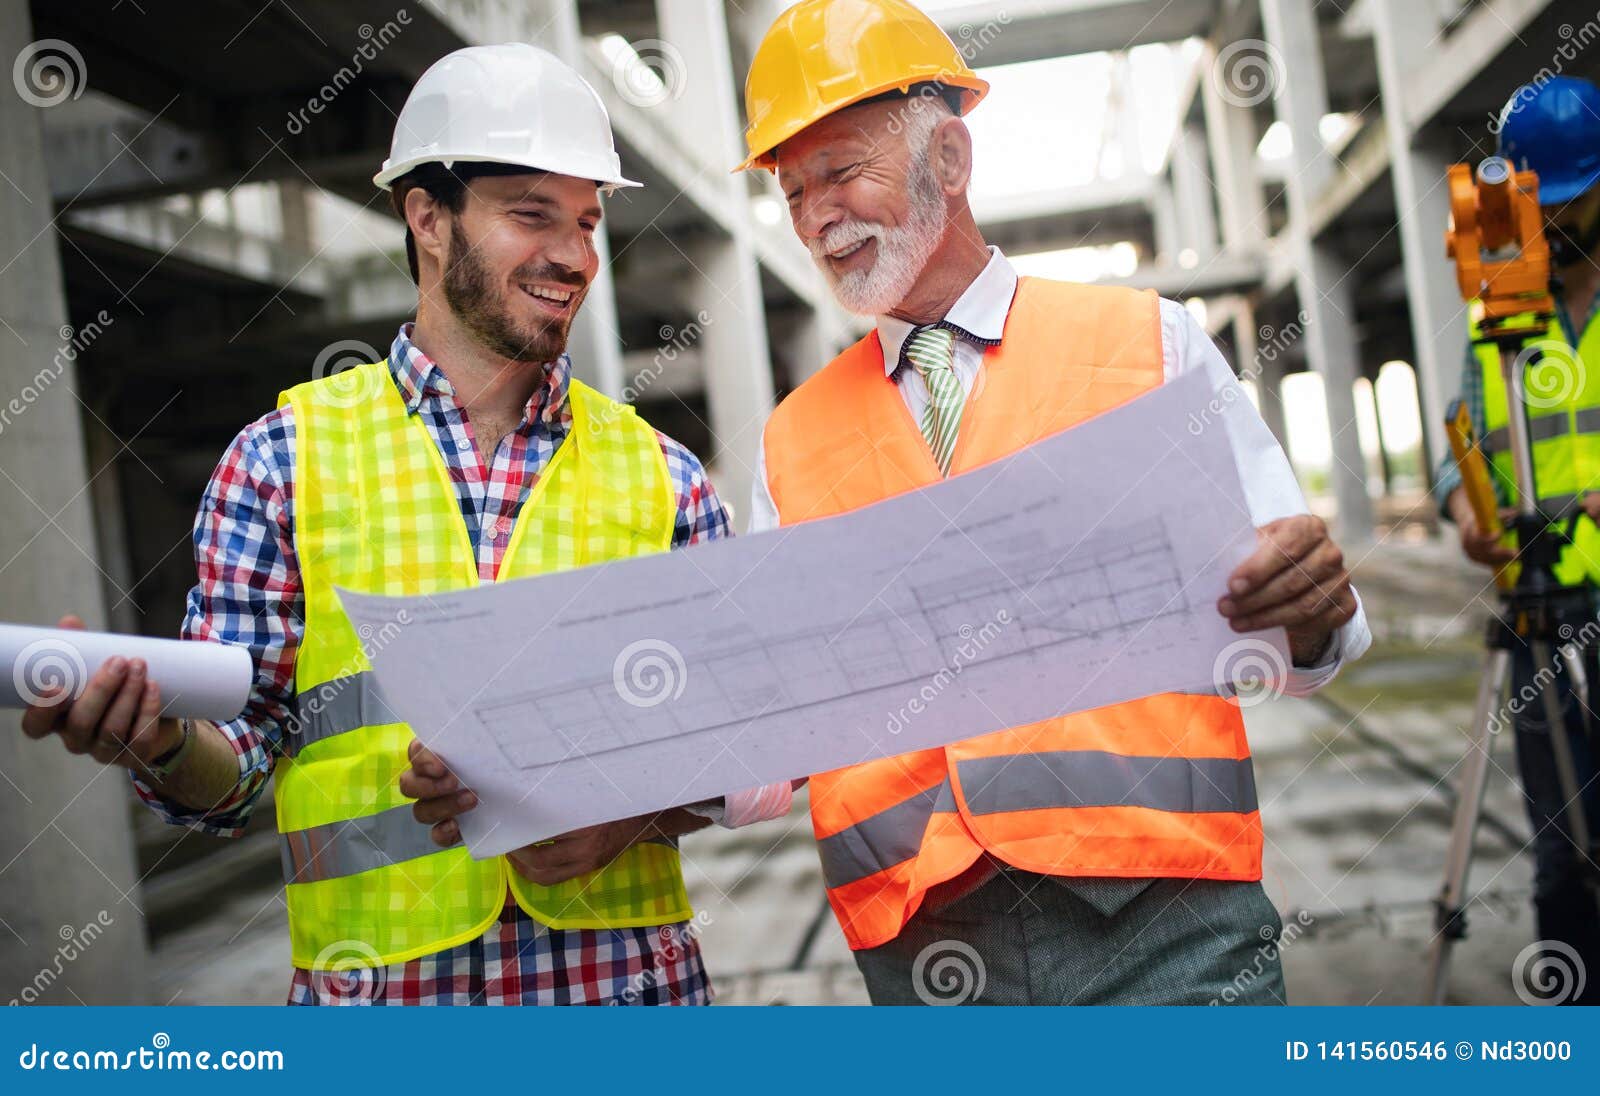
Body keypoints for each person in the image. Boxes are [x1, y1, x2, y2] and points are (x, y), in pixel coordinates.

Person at [17, 43, 790, 1006]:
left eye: (589, 221)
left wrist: (626, 814)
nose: (575, 256)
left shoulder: (661, 476)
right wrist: (158, 741)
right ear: (428, 216)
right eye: (531, 214)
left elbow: (754, 748)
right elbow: (234, 775)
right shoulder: (281, 464)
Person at [735, 0, 1371, 1005]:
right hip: (925, 953)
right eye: (792, 188)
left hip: (1169, 926)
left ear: (947, 157)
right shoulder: (790, 441)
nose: (816, 213)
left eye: (840, 168)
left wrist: (1311, 613)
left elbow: (1303, 639)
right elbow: (766, 746)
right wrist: (619, 756)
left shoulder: (1145, 346)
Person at [1434, 75, 1600, 1004]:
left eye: (1575, 197)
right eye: (1546, 201)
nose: (1560, 219)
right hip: (1541, 618)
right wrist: (1466, 509)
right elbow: (1463, 441)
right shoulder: (1500, 311)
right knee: (1563, 866)